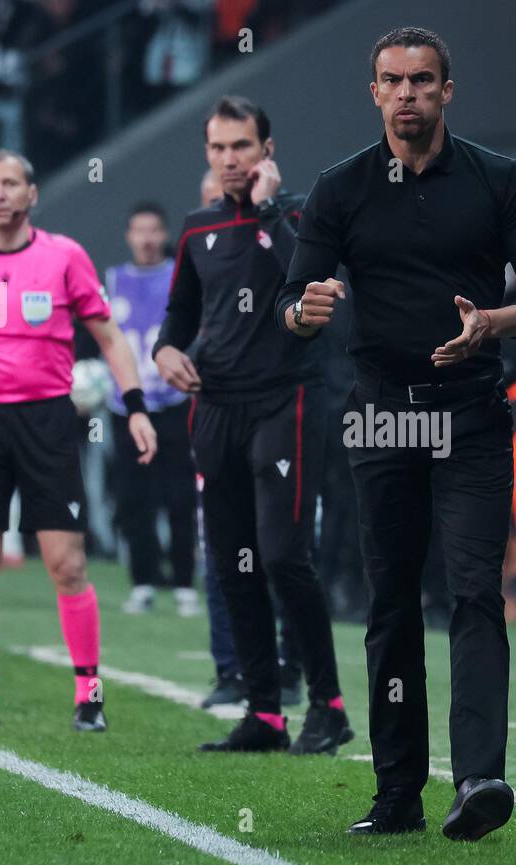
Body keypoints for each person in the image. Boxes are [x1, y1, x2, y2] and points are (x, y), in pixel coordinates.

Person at [276, 27, 516, 838]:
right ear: (373, 92)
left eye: (422, 80)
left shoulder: (499, 180)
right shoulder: (338, 189)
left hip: (472, 409)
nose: (407, 93)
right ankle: (397, 794)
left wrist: (497, 321)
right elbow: (290, 302)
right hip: (380, 410)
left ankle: (480, 777)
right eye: (392, 81)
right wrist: (305, 312)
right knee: (391, 601)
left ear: (448, 90)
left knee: (475, 591)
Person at [0, 148, 158, 733]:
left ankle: (89, 695)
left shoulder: (64, 256)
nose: (0, 193)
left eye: (11, 182)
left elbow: (110, 336)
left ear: (32, 193)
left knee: (66, 563)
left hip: (47, 421)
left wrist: (135, 405)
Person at [153, 96, 350, 754]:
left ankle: (327, 704)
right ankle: (264, 712)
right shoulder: (195, 228)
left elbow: (313, 282)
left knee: (283, 555)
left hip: (285, 399)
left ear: (267, 149)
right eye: (218, 148)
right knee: (230, 561)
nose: (229, 159)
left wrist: (268, 213)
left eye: (241, 146)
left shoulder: (299, 214)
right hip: (216, 405)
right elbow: (179, 318)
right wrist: (165, 352)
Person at [106, 201, 200, 618]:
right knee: (132, 497)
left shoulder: (180, 277)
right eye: (138, 231)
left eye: (153, 231)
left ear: (164, 235)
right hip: (126, 404)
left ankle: (183, 584)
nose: (146, 239)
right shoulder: (111, 281)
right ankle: (143, 582)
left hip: (174, 400)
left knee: (180, 495)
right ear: (128, 236)